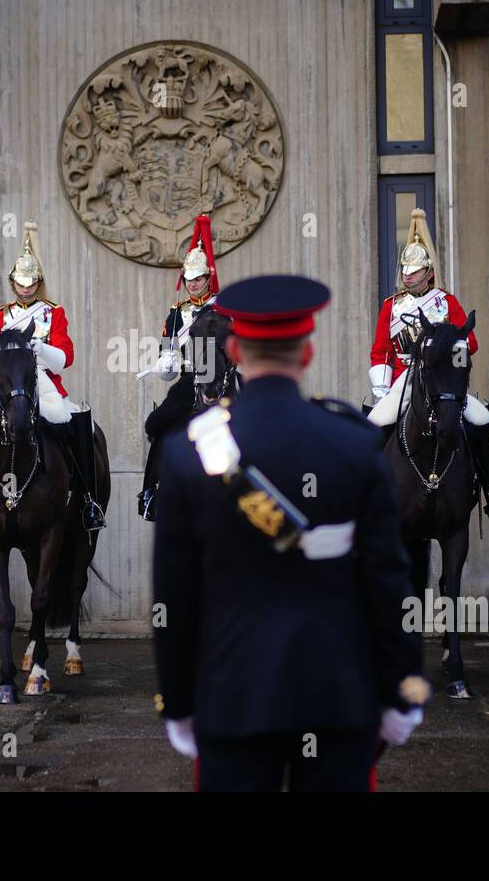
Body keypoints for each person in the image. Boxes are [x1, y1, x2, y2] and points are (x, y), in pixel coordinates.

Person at [152, 274, 428, 792]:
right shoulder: (353, 442)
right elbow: (391, 583)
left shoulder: (188, 454)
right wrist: (402, 688)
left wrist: (179, 703)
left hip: (231, 698)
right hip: (336, 698)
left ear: (233, 350)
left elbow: (173, 601)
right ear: (307, 352)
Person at [0, 220, 106, 535]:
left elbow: (65, 359)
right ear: (12, 282)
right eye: (20, 283)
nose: (25, 288)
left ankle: (87, 498)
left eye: (31, 282)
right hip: (7, 381)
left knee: (67, 419)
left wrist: (40, 348)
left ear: (38, 282)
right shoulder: (0, 315)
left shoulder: (53, 312)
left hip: (43, 380)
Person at [367, 208, 489, 527]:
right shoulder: (391, 306)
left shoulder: (447, 303)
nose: (408, 275)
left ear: (429, 272)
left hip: (443, 379)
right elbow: (380, 351)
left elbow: (469, 343)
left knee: (481, 419)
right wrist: (381, 385)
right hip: (405, 379)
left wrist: (450, 345)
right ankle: (369, 497)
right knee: (374, 421)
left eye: (416, 270)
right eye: (405, 269)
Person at [138, 214, 224, 519]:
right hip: (189, 380)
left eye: (198, 279)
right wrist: (167, 362)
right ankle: (151, 492)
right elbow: (168, 355)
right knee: (158, 425)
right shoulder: (176, 312)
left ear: (208, 277)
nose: (192, 284)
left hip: (219, 373)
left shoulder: (224, 307)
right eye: (188, 279)